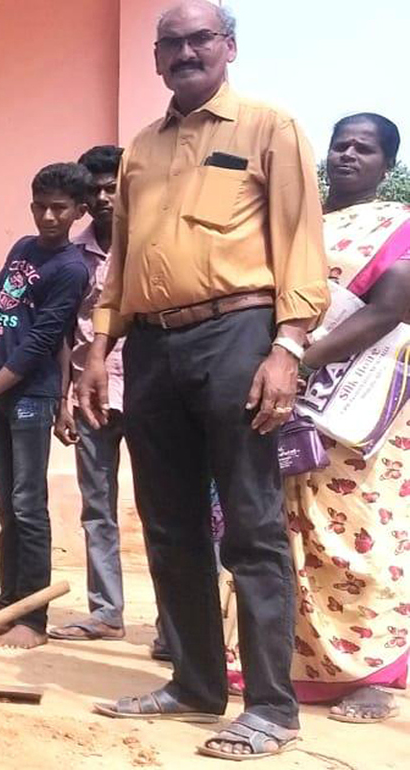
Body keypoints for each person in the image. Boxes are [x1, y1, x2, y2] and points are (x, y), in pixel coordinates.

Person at [78, 2, 329, 760]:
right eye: (171, 44)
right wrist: (97, 349)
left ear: (227, 47)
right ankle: (192, 684)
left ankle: (271, 710)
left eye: (200, 40)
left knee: (250, 527)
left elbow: (299, 242)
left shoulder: (267, 126)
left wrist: (287, 347)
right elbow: (119, 263)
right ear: (155, 59)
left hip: (238, 335)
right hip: (150, 348)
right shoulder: (138, 149)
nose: (185, 53)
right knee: (167, 523)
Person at [226, 112, 410, 725]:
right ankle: (283, 661)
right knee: (278, 532)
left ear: (388, 165)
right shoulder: (296, 224)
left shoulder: (396, 226)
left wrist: (301, 358)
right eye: (340, 145)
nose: (348, 155)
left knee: (355, 537)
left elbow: (387, 309)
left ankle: (372, 672)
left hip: (351, 409)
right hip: (280, 397)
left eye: (365, 148)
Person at [0, 163, 92, 650]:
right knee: (7, 502)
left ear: (79, 211)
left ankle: (33, 618)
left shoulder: (71, 269)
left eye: (60, 208)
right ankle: (8, 604)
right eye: (40, 206)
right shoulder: (23, 250)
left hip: (29, 395)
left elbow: (38, 346)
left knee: (30, 504)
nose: (48, 216)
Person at [49, 145, 132, 644]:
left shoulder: (148, 245)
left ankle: (178, 626)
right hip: (88, 398)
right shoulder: (70, 254)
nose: (103, 198)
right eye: (94, 190)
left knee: (170, 512)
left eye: (112, 187)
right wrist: (63, 400)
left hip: (149, 392)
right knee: (97, 508)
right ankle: (106, 612)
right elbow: (61, 333)